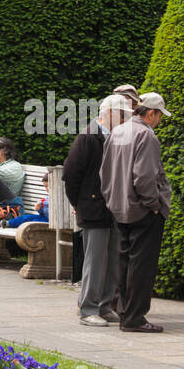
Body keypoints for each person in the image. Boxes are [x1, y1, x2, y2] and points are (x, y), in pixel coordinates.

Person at [100, 93, 172, 333]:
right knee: (142, 265)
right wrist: (154, 205)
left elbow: (105, 173)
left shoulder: (118, 131)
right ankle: (134, 318)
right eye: (160, 116)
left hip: (120, 208)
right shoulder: (146, 135)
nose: (160, 121)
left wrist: (112, 199)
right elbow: (144, 177)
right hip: (143, 210)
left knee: (125, 262)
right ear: (152, 113)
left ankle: (124, 312)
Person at [63, 93, 131, 327]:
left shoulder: (112, 136)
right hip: (94, 207)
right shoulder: (88, 137)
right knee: (95, 260)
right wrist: (79, 204)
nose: (125, 120)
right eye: (123, 115)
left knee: (111, 259)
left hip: (111, 208)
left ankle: (102, 305)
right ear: (110, 112)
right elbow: (71, 176)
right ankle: (88, 308)